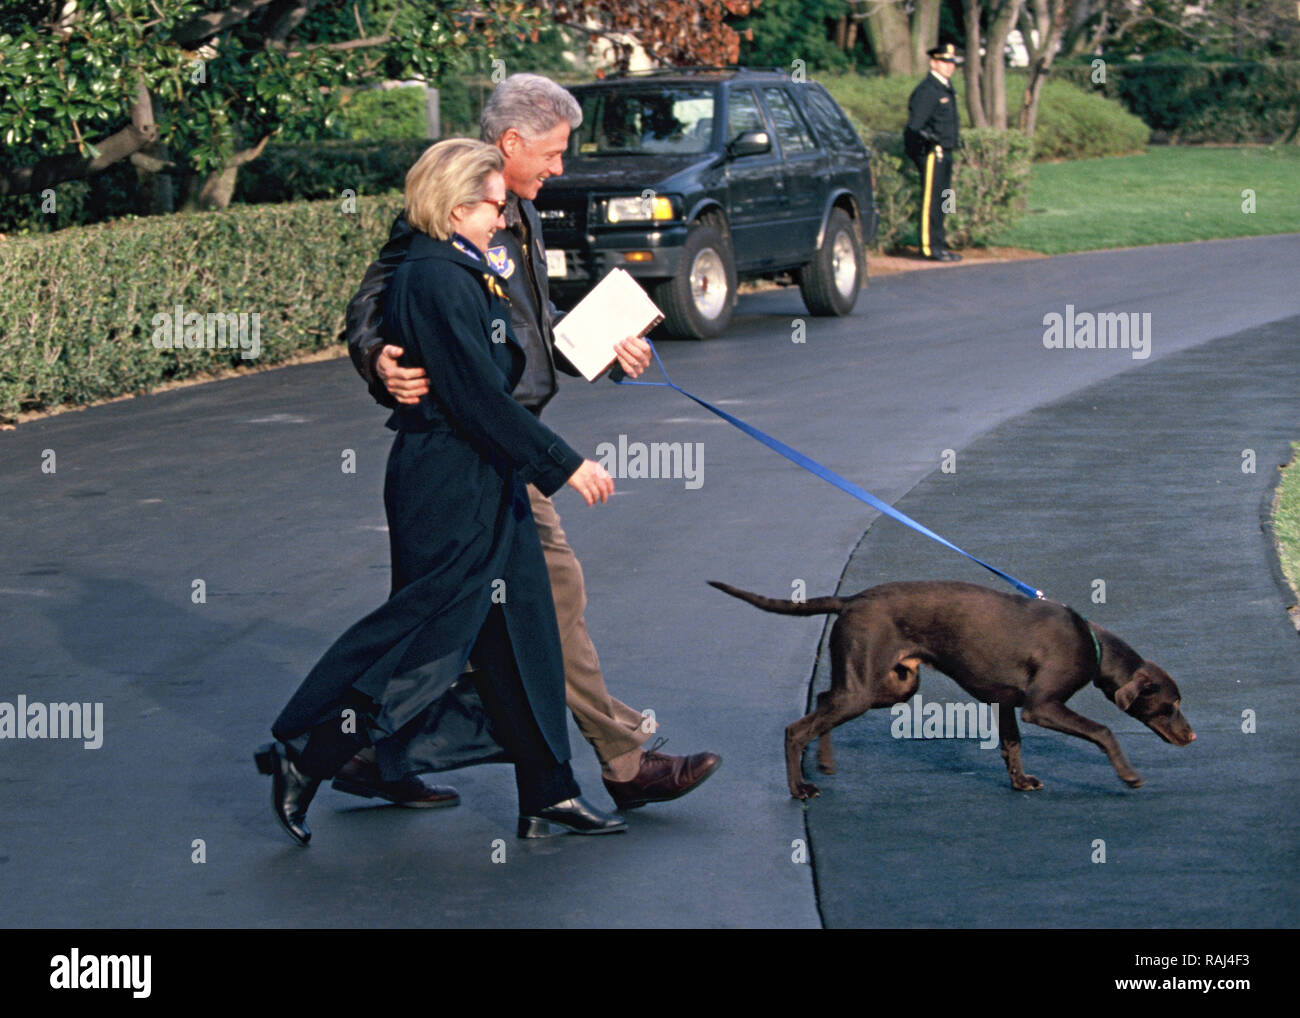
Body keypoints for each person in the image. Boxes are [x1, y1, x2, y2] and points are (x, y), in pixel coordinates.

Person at [343, 73, 721, 812]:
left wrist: (607, 349)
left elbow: (526, 326)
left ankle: (365, 748)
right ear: (508, 143)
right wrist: (376, 357)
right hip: (480, 446)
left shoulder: (521, 209)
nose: (559, 168)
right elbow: (377, 296)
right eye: (550, 154)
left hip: (511, 438)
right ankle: (621, 763)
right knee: (548, 593)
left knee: (453, 617)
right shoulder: (451, 201)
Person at [255, 138, 627, 844]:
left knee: (526, 638)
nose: (503, 215)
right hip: (449, 482)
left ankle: (549, 793)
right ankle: (308, 753)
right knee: (422, 639)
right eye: (493, 205)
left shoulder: (463, 266)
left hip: (489, 475)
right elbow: (476, 398)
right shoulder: (434, 276)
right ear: (458, 208)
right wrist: (565, 464)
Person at [905, 43, 963, 262]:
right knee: (932, 200)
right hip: (932, 153)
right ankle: (930, 247)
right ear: (933, 63)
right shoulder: (928, 90)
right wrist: (930, 142)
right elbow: (915, 125)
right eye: (945, 62)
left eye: (952, 63)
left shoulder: (945, 87)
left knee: (943, 199)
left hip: (945, 151)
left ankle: (940, 243)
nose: (950, 67)